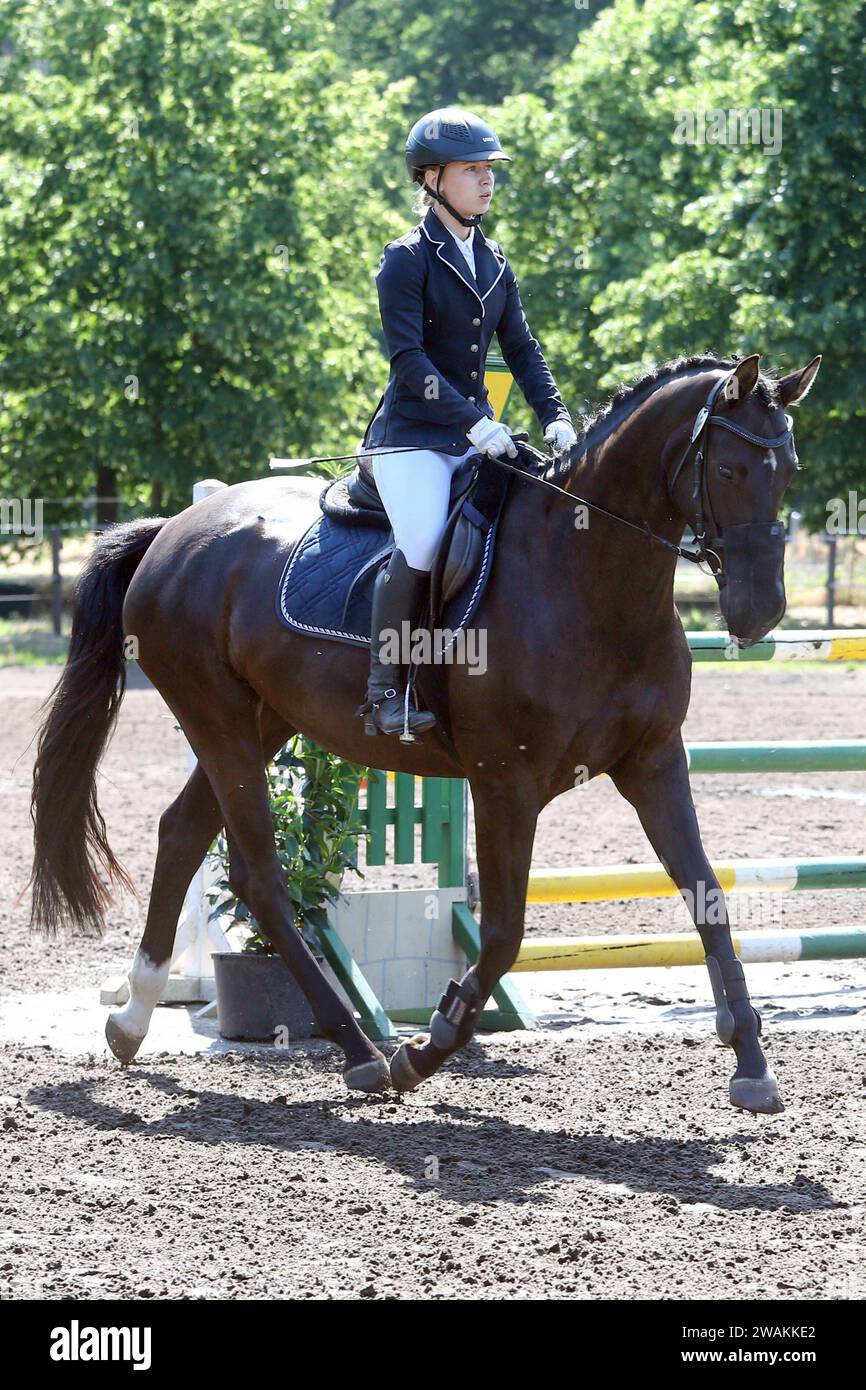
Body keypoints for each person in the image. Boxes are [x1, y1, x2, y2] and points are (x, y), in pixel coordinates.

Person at [356, 106, 577, 739]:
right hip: (411, 442)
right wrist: (474, 420)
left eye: (489, 170)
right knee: (424, 540)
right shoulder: (406, 260)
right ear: (430, 179)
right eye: (472, 170)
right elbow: (408, 360)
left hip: (476, 438)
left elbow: (524, 350)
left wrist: (555, 415)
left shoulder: (494, 259)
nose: (486, 182)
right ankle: (383, 694)